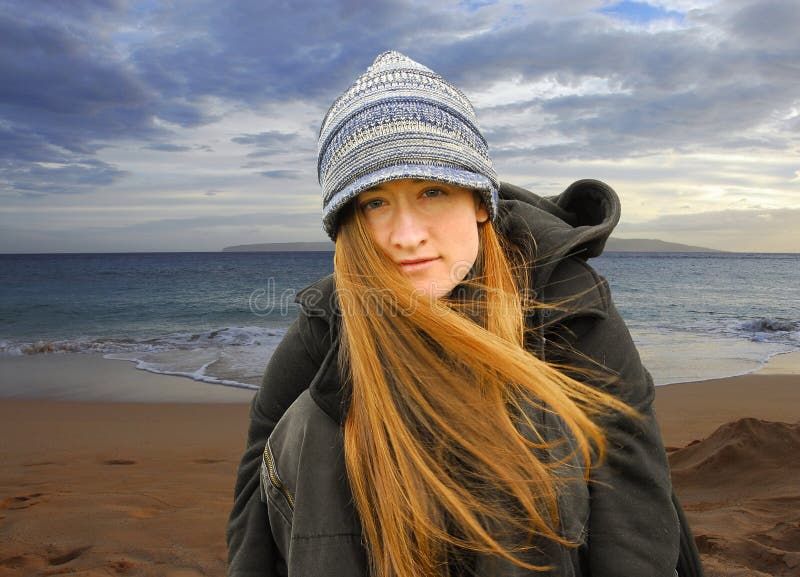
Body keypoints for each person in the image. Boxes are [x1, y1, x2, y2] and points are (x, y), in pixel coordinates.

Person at [227, 51, 701, 577]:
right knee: (311, 424)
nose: (406, 236)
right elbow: (258, 480)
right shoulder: (332, 316)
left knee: (517, 415)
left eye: (432, 191)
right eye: (374, 203)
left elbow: (630, 478)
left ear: (479, 202)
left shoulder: (563, 297)